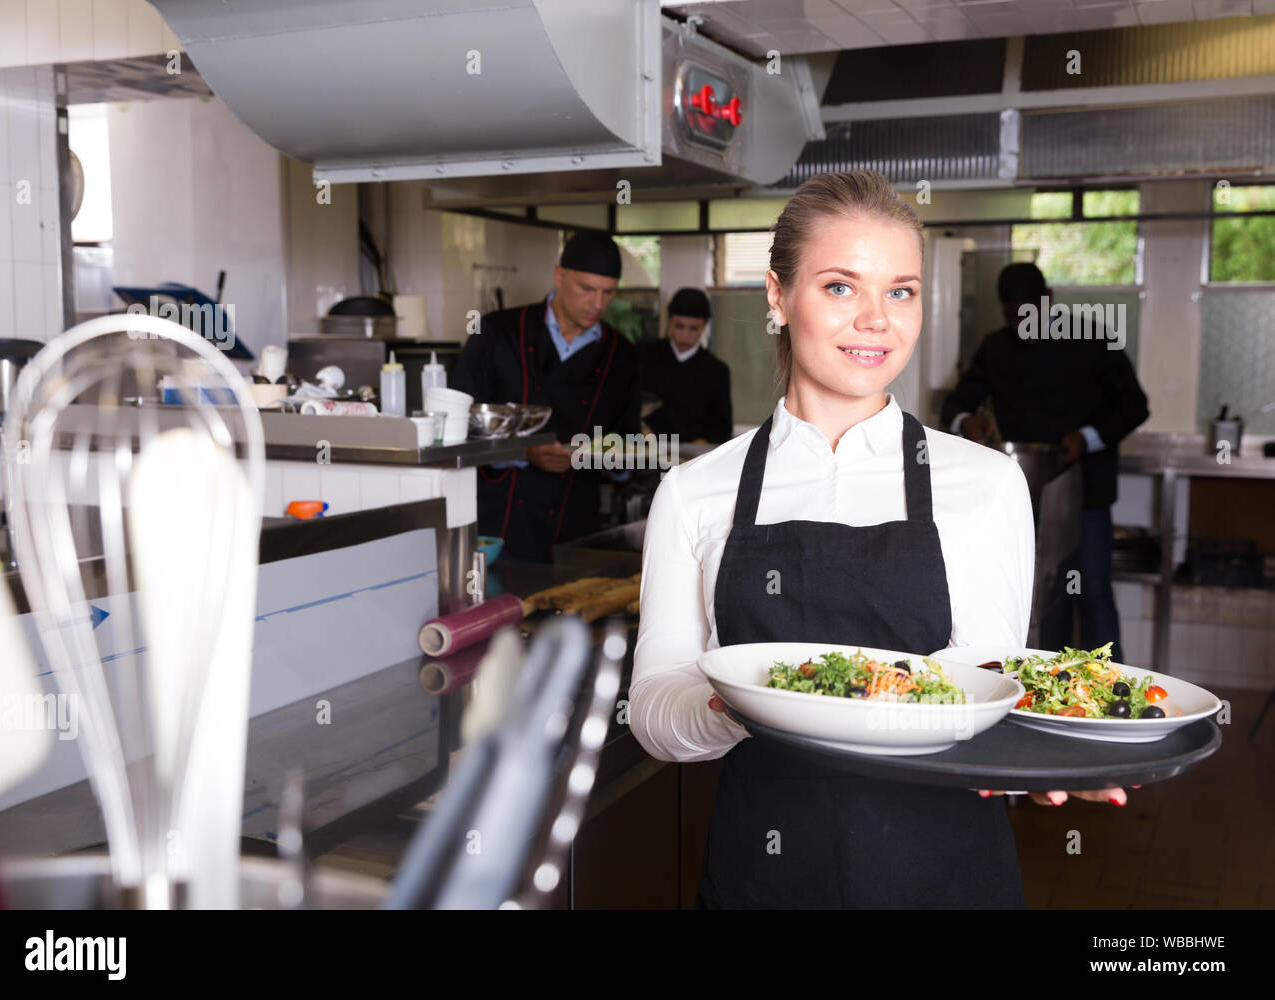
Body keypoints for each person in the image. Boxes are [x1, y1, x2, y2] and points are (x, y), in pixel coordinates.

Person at [630, 171, 1126, 910]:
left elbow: (988, 676)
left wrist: (1047, 744)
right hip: (767, 866)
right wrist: (740, 702)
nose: (876, 320)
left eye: (900, 291)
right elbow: (650, 709)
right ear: (776, 296)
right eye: (839, 287)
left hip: (943, 865)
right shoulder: (696, 490)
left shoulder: (985, 483)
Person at [940, 262, 1150, 651]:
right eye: (1011, 314)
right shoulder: (996, 348)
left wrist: (1087, 438)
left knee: (1092, 596)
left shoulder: (1090, 340)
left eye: (1027, 313)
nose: (1020, 323)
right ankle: (1037, 694)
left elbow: (1134, 405)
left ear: (1047, 299)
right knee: (1032, 601)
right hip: (1019, 499)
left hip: (1083, 494)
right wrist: (964, 419)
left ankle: (1110, 695)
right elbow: (956, 403)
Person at [451, 231, 640, 562]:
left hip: (576, 531)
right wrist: (524, 451)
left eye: (608, 293)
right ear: (559, 276)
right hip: (499, 527)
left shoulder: (621, 354)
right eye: (587, 289)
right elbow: (457, 426)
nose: (598, 304)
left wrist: (612, 457)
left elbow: (626, 441)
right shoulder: (497, 332)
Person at [639, 288, 732, 443]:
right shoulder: (645, 357)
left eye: (693, 328)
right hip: (645, 451)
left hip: (690, 458)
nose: (685, 335)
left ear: (704, 326)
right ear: (669, 320)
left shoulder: (716, 371)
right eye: (679, 326)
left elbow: (723, 428)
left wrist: (703, 441)